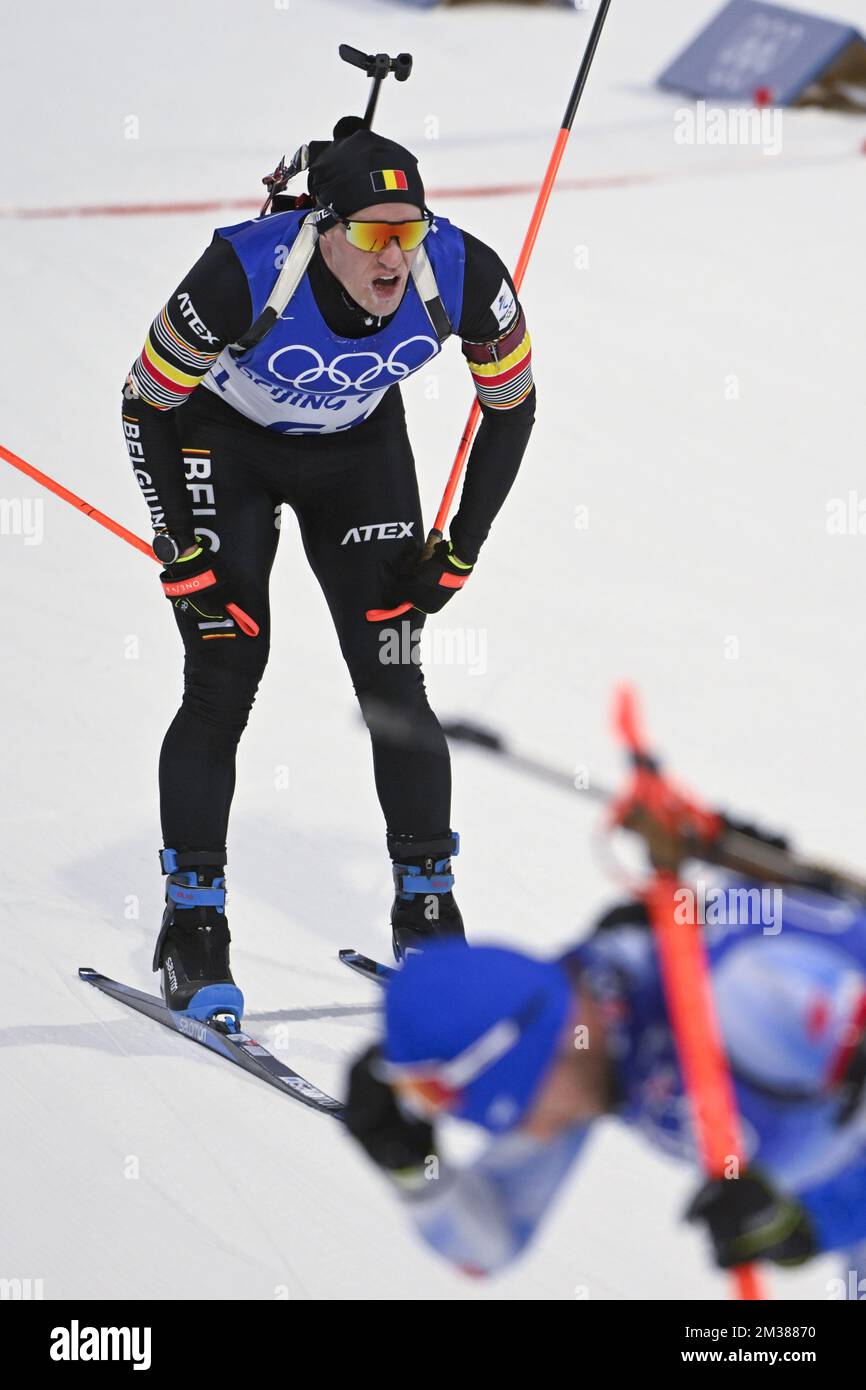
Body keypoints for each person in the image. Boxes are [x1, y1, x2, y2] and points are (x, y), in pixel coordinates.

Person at [120, 120, 535, 1020]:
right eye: (373, 234)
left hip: (356, 452)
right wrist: (179, 551)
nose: (395, 257)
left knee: (394, 675)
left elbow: (513, 407)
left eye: (410, 232)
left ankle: (427, 913)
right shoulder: (244, 269)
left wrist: (461, 546)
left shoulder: (464, 272)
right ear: (322, 228)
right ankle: (194, 925)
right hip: (221, 444)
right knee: (225, 670)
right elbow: (144, 402)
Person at [344, 887, 866, 1285]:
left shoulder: (739, 992)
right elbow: (492, 1244)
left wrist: (802, 1223)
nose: (538, 1133)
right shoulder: (593, 1053)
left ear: (558, 1052)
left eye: (525, 1112)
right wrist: (415, 1175)